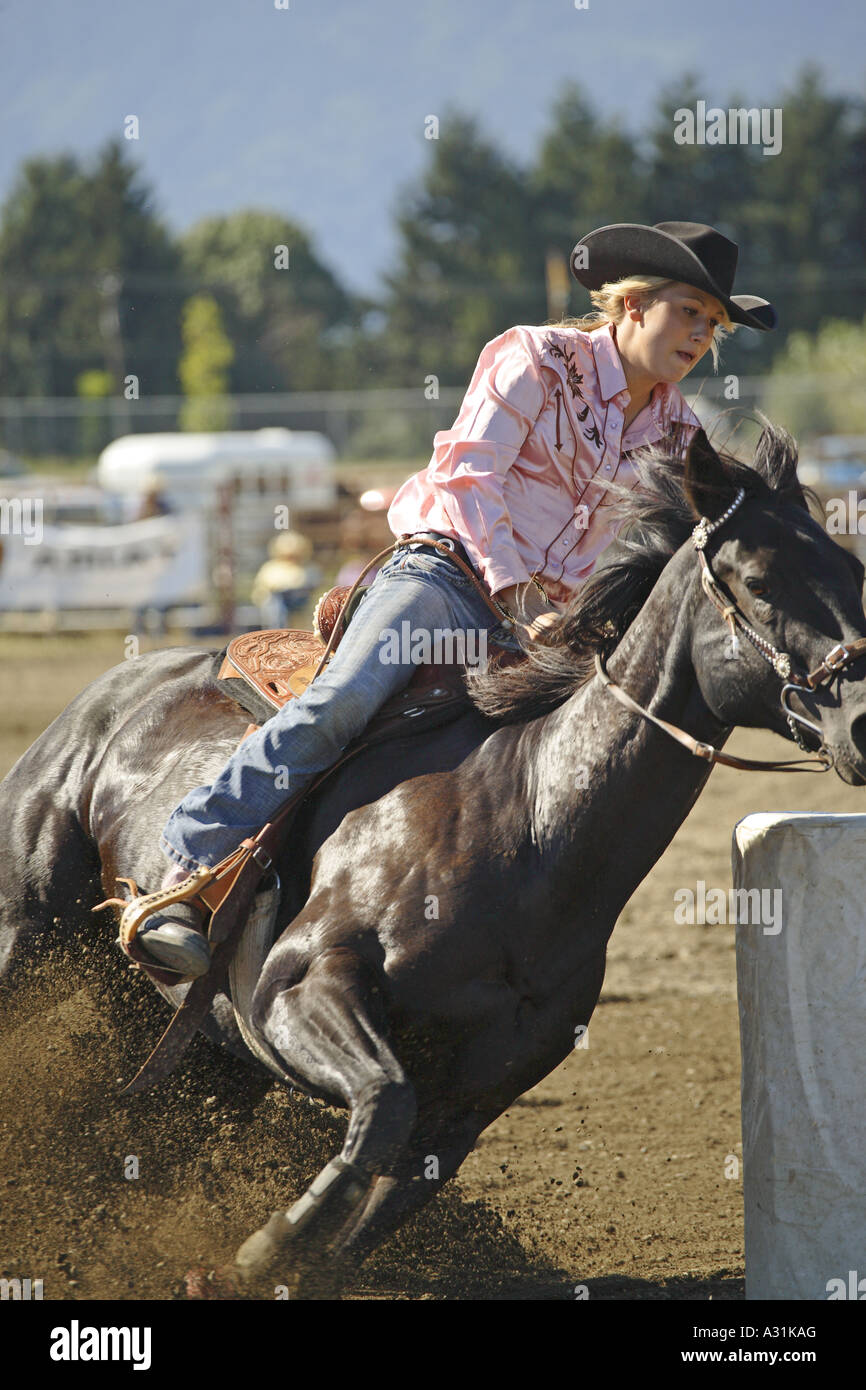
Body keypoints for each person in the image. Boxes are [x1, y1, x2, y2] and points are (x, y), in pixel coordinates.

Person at [137, 221, 776, 976]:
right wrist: (515, 598)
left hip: (549, 629)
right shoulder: (534, 359)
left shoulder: (679, 437)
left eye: (714, 323)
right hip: (448, 578)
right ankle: (189, 863)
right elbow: (471, 477)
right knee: (342, 702)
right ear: (631, 306)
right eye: (689, 311)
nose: (702, 334)